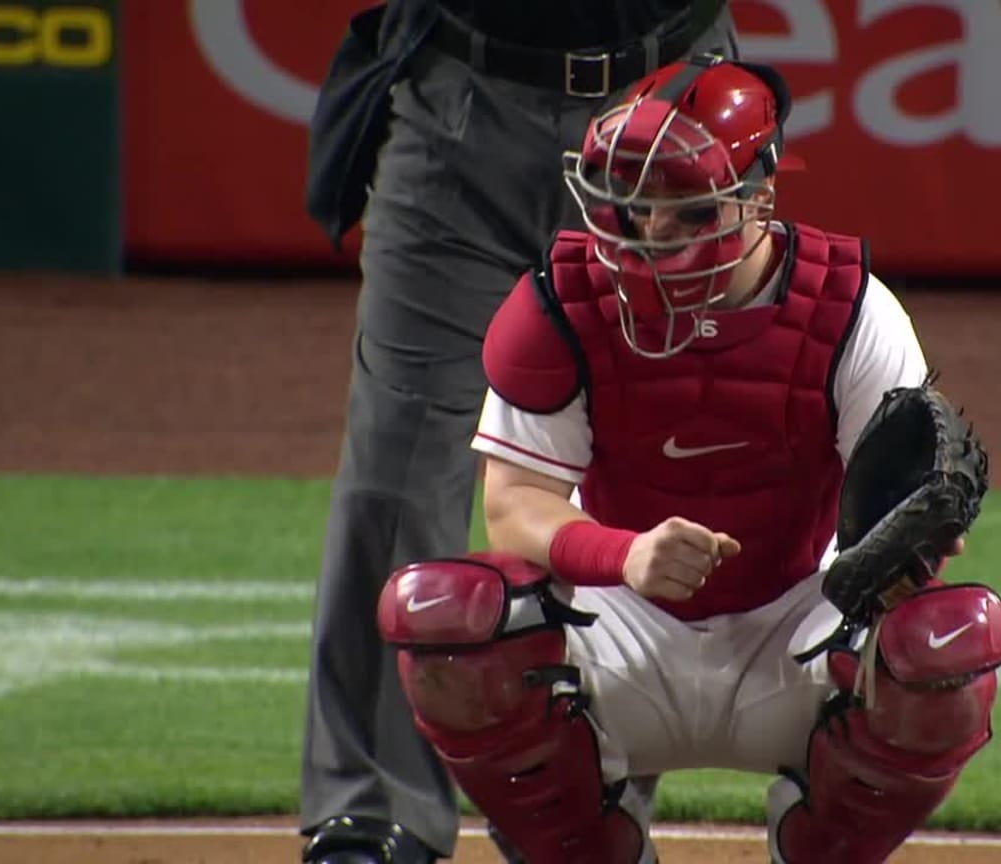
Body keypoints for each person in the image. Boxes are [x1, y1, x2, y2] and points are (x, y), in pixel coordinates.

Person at [374, 54, 1001, 863]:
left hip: (796, 624)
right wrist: (627, 552)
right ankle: (592, 847)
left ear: (759, 193)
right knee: (448, 618)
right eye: (633, 211)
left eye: (686, 213)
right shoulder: (559, 302)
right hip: (624, 621)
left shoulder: (850, 310)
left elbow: (906, 519)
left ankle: (821, 843)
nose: (650, 238)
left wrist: (904, 544)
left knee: (949, 639)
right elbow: (513, 503)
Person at [296, 2, 740, 862]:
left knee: (639, 474)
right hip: (460, 104)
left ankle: (584, 813)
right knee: (397, 475)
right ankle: (373, 812)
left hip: (670, 117)